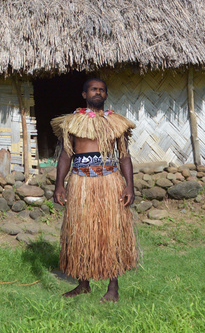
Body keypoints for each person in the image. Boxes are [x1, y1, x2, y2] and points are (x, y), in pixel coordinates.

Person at [51, 77, 139, 303]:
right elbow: (65, 155)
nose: (97, 93)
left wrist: (129, 184)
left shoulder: (116, 122)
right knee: (81, 232)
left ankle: (113, 288)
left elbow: (124, 156)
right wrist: (59, 184)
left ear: (106, 95)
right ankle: (83, 283)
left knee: (111, 233)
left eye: (101, 90)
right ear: (84, 94)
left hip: (110, 182)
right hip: (80, 183)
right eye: (93, 89)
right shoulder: (72, 122)